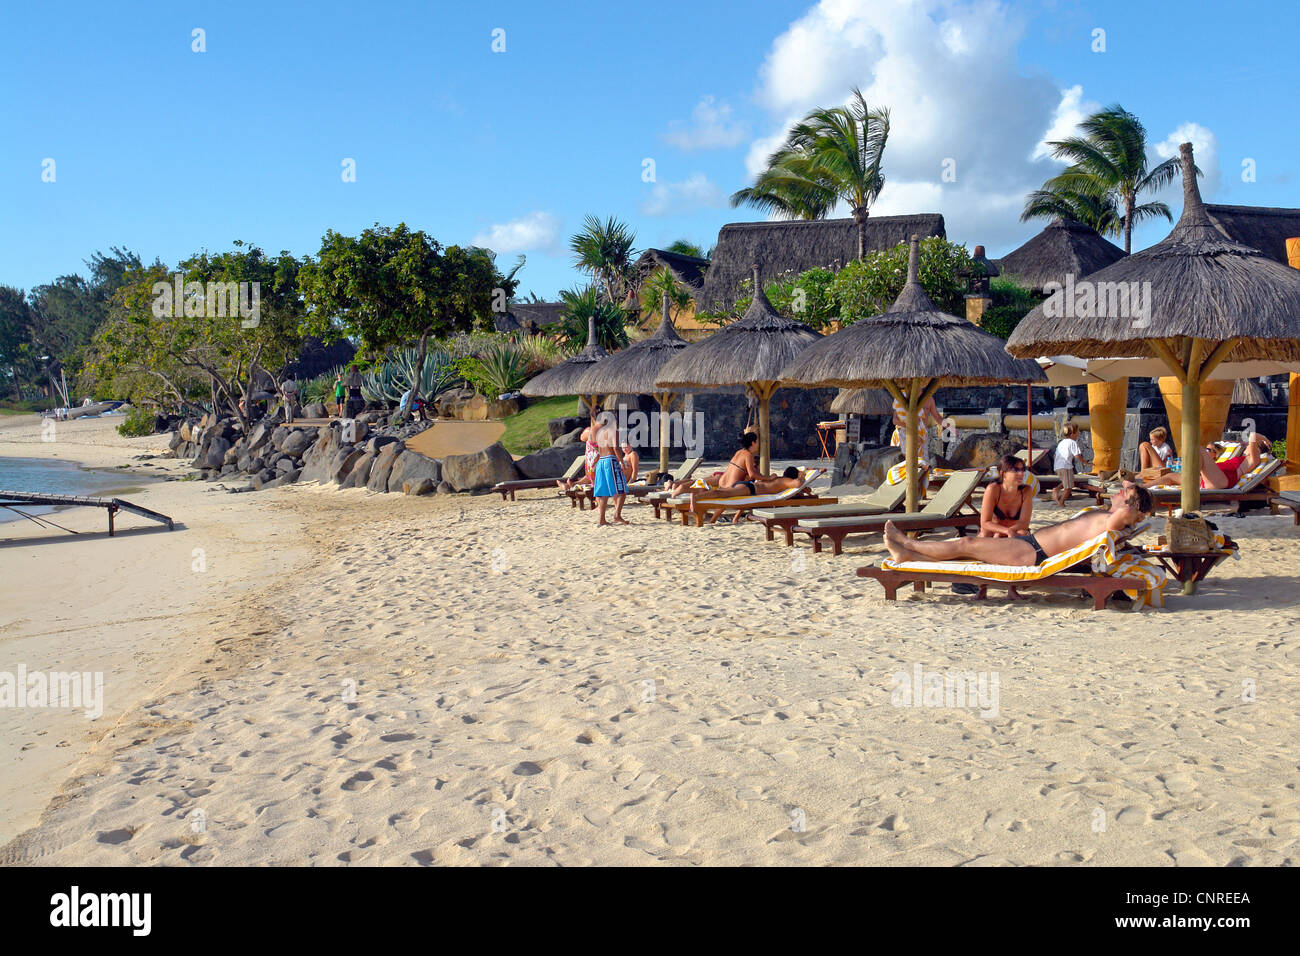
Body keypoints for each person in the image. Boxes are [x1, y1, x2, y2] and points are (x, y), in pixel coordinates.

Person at [885, 483, 1154, 568]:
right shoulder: (1110, 517)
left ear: (1130, 503)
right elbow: (1127, 515)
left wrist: (1136, 499)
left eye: (1123, 492)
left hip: (1033, 553)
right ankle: (909, 555)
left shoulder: (1115, 519)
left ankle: (908, 543)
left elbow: (1130, 513)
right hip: (1031, 546)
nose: (1119, 491)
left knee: (965, 544)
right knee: (966, 551)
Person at [1150, 433, 1269, 490]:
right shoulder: (1242, 458)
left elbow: (1252, 436)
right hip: (1211, 479)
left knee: (1198, 448)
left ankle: (1191, 479)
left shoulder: (1252, 459)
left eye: (1249, 446)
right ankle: (1142, 487)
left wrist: (1263, 438)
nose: (1246, 447)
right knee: (1170, 476)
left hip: (1222, 479)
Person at [980, 455, 1033, 538]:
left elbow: (1024, 523)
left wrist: (1009, 531)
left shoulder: (1026, 491)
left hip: (1015, 530)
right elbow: (985, 522)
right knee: (985, 534)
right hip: (994, 531)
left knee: (1022, 533)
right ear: (1002, 473)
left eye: (1023, 470)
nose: (1021, 473)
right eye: (1015, 470)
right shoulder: (993, 489)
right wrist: (1005, 531)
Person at [590, 412, 628, 526]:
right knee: (621, 491)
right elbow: (616, 448)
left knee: (603, 493)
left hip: (601, 461)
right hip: (610, 461)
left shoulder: (599, 432)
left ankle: (601, 519)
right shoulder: (613, 431)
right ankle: (617, 516)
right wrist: (622, 462)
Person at [890, 395, 942, 461]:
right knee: (903, 461)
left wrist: (949, 426)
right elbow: (895, 420)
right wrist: (912, 430)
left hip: (922, 434)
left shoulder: (929, 399)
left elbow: (937, 417)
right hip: (904, 433)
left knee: (923, 463)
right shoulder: (902, 398)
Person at [1052, 423, 1090, 506]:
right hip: (1066, 466)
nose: (1078, 434)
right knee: (1069, 488)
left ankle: (1057, 489)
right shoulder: (1072, 442)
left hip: (1058, 466)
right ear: (1072, 434)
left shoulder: (1061, 443)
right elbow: (1077, 456)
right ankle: (1061, 502)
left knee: (1068, 481)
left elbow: (1055, 455)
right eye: (1078, 432)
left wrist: (1056, 466)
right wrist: (1085, 462)